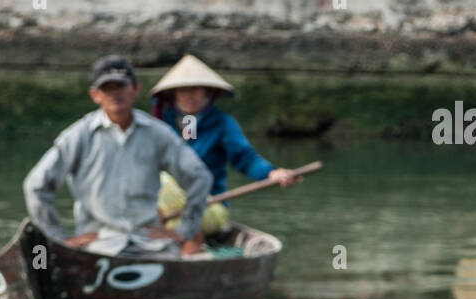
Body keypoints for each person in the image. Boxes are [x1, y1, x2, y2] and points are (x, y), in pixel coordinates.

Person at [23, 54, 211, 259]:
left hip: (151, 245)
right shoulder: (78, 136)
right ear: (95, 94)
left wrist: (184, 231)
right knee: (41, 260)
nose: (115, 94)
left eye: (120, 86)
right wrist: (57, 237)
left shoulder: (158, 134)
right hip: (97, 246)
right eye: (107, 88)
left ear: (135, 88)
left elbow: (199, 177)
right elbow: (35, 186)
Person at [150, 54, 300, 236]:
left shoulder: (221, 123)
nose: (189, 96)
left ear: (207, 92)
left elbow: (245, 158)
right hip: (164, 209)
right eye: (183, 90)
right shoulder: (161, 123)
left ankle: (188, 242)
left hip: (209, 205)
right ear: (174, 93)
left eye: (195, 89)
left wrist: (272, 172)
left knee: (165, 182)